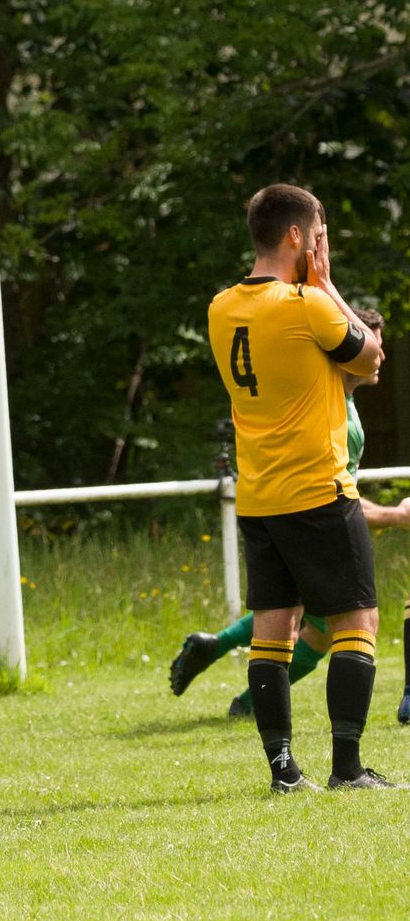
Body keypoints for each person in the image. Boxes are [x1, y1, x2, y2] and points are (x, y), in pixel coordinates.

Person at [205, 183, 388, 792]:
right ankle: (347, 768)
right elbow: (370, 359)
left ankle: (284, 772)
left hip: (258, 496)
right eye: (318, 235)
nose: (319, 245)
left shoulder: (222, 307)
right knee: (356, 620)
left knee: (272, 630)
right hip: (318, 489)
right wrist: (327, 281)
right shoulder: (307, 304)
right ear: (296, 237)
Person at [169, 306, 409, 717]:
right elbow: (337, 498)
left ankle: (222, 655)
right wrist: (397, 516)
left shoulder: (328, 398)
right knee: (322, 630)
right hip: (314, 525)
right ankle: (254, 708)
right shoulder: (342, 419)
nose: (379, 356)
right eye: (372, 344)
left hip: (271, 510)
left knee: (286, 611)